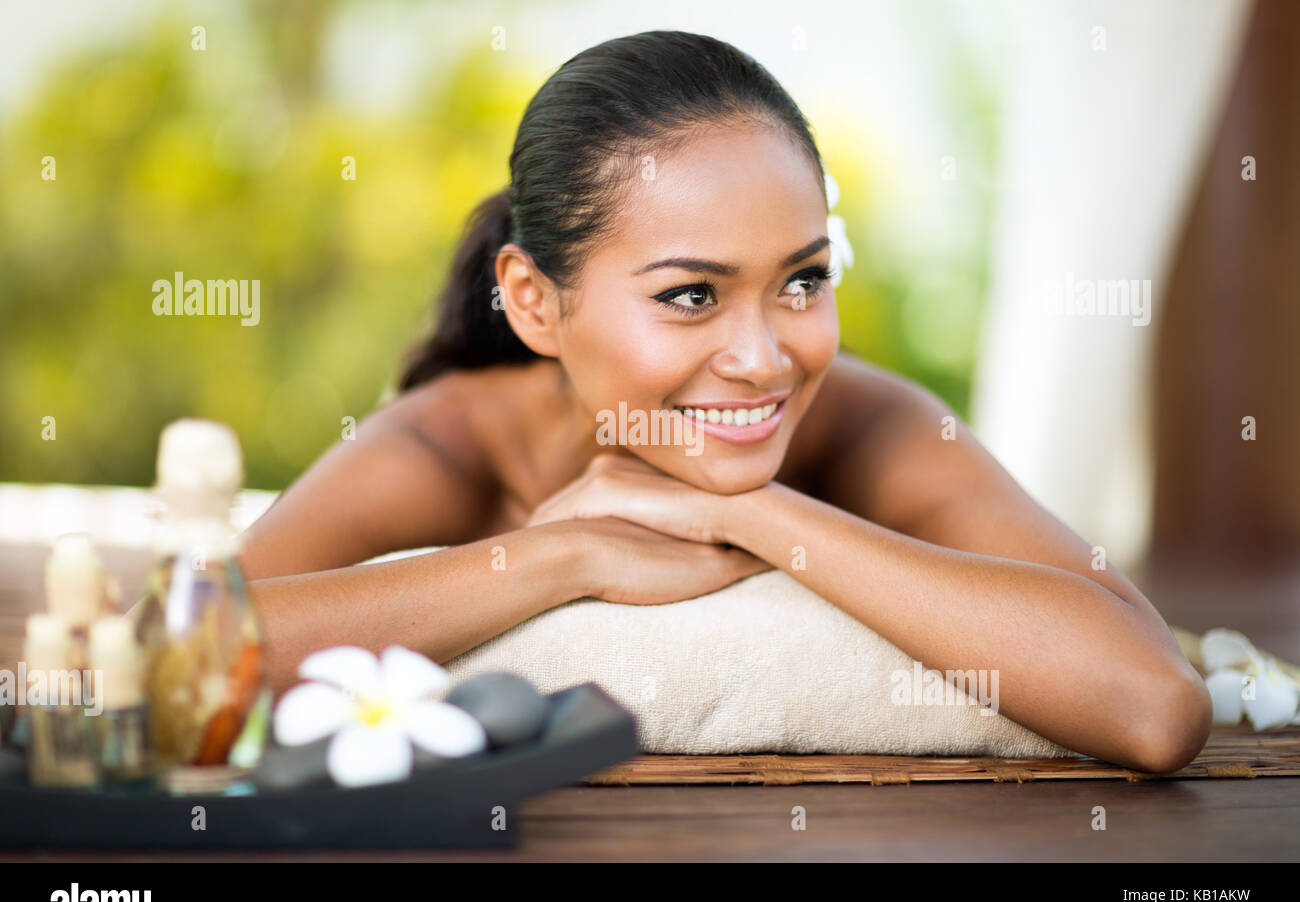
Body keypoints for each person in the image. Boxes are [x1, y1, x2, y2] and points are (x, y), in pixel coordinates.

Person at [240, 30, 1211, 773]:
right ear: (533, 300)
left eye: (800, 280)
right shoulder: (449, 443)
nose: (762, 358)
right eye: (690, 295)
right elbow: (172, 648)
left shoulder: (869, 423)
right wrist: (558, 555)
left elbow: (1153, 701)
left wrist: (748, 508)